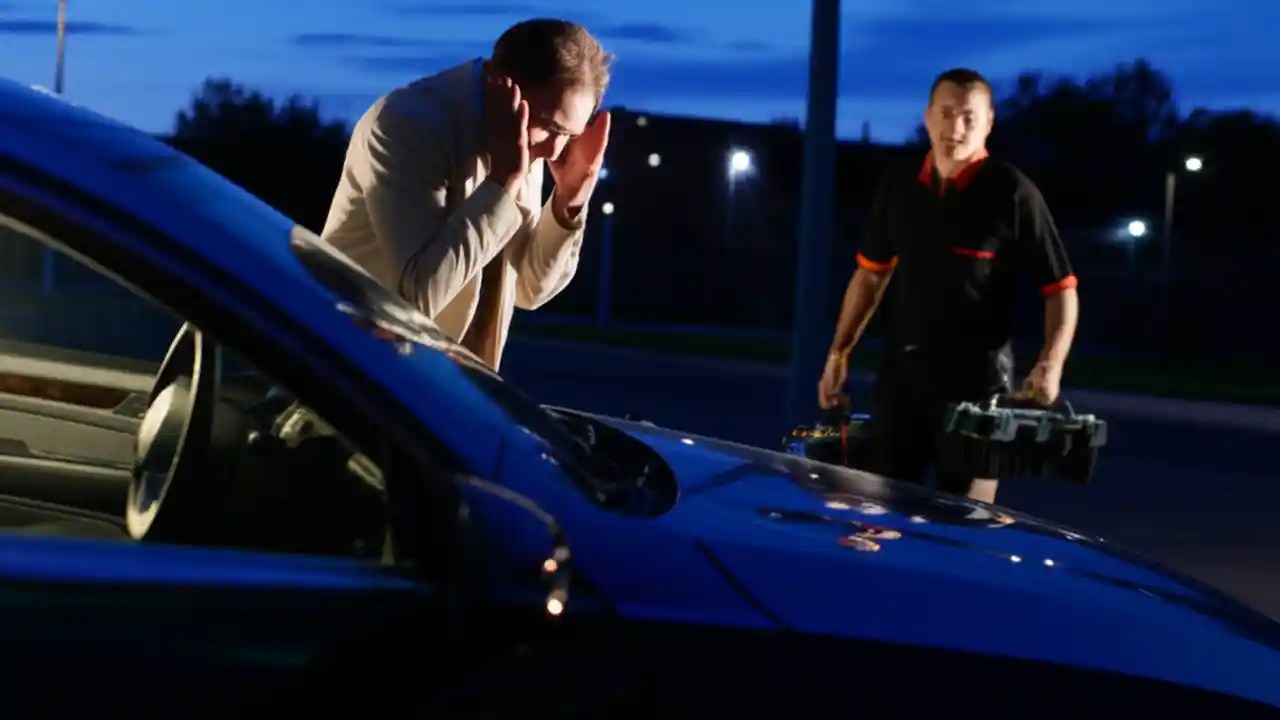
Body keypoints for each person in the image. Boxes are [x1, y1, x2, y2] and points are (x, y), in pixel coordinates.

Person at [817, 68, 1079, 504]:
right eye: (946, 113)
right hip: (903, 375)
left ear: (989, 123)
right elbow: (871, 274)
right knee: (879, 515)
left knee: (967, 525)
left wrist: (1051, 365)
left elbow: (1061, 288)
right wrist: (839, 351)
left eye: (968, 118)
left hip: (978, 387)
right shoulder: (899, 187)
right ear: (928, 116)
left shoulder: (1012, 191)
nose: (954, 128)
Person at [320, 19, 613, 369]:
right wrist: (503, 180)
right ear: (502, 85)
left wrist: (570, 200)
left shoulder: (524, 135)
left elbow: (529, 290)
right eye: (549, 126)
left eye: (568, 134)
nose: (553, 150)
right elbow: (415, 300)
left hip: (448, 389)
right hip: (352, 372)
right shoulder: (409, 123)